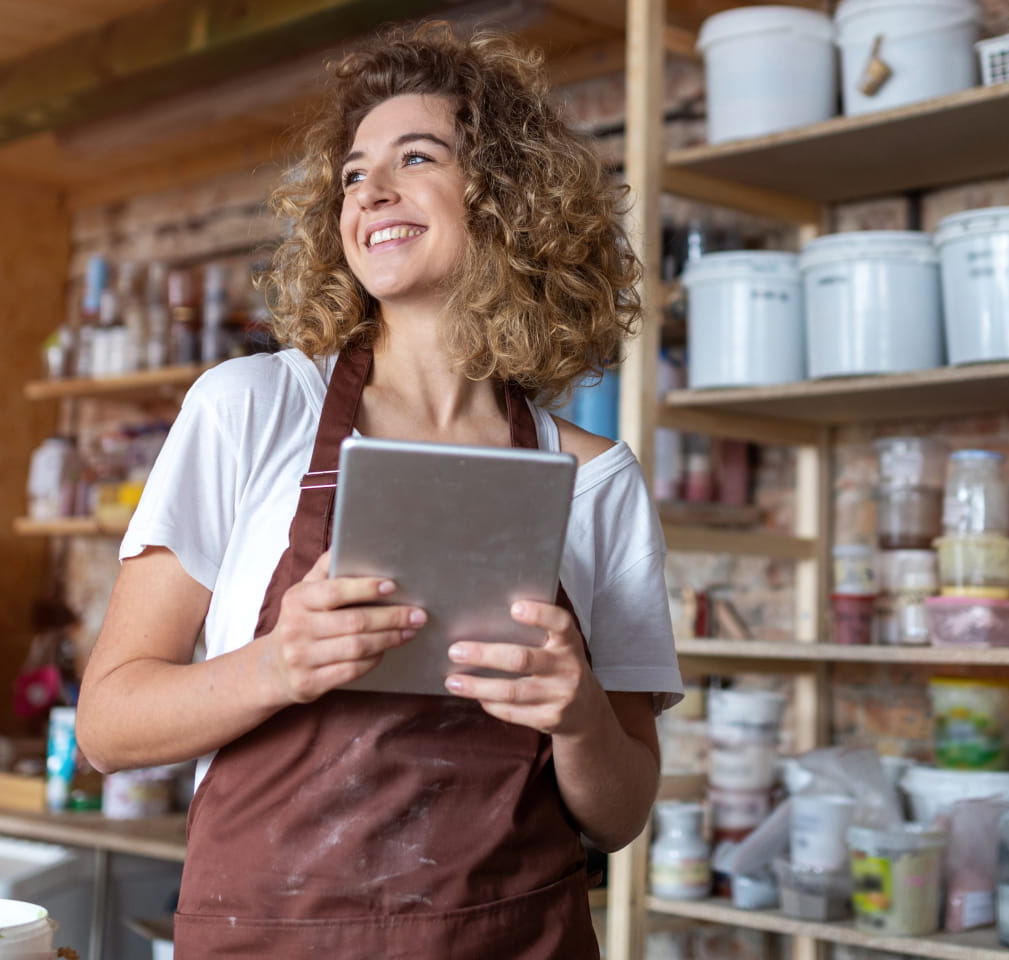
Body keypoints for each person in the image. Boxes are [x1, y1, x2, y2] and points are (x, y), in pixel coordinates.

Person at [77, 24, 679, 957]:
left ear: (506, 196)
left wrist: (580, 712)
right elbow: (108, 727)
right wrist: (278, 665)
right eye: (354, 175)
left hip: (508, 938)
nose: (374, 192)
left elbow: (621, 812)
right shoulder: (252, 408)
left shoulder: (595, 478)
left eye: (416, 157)